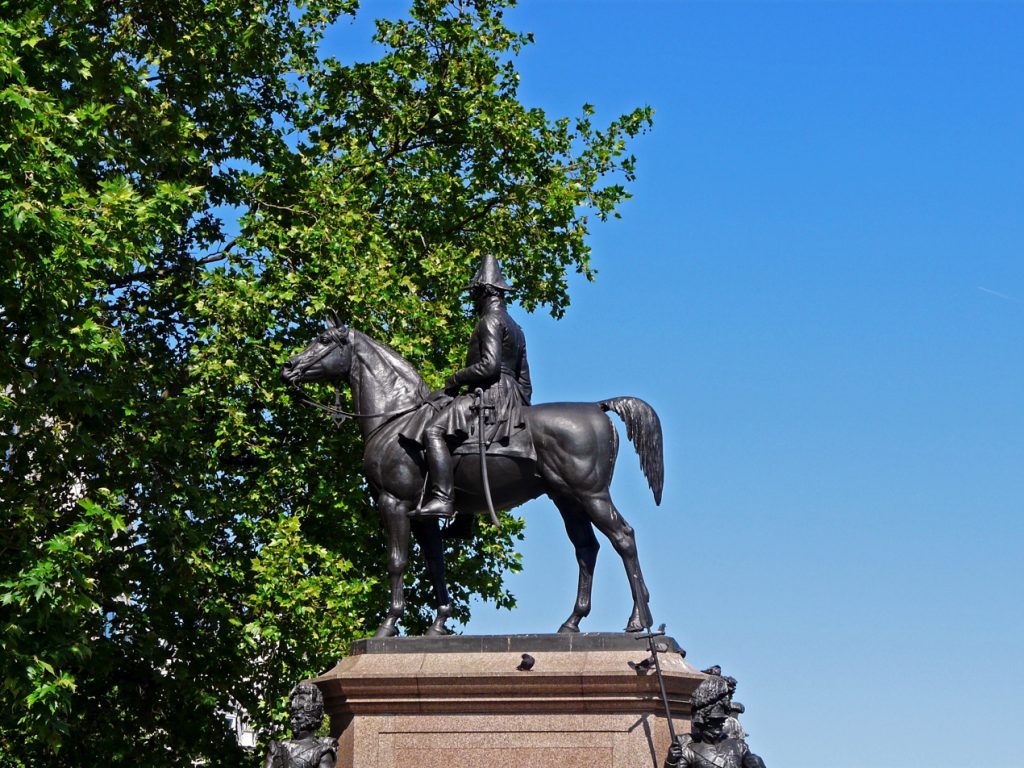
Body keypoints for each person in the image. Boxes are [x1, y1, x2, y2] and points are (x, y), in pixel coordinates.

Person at [412, 254, 532, 518]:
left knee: (433, 432)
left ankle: (443, 499)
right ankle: (466, 517)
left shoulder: (489, 321)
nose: (472, 301)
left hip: (489, 394)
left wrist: (455, 380)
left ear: (484, 292)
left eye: (474, 294)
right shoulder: (517, 328)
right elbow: (525, 380)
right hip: (511, 396)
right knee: (463, 442)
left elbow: (489, 366)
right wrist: (520, 407)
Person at [664, 671, 766, 768]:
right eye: (713, 723)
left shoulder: (739, 747)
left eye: (721, 721)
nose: (718, 728)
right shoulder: (689, 751)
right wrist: (671, 762)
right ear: (702, 722)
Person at [263, 683, 337, 768]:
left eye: (298, 718)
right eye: (292, 718)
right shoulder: (277, 749)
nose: (293, 721)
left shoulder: (322, 752)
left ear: (311, 721)